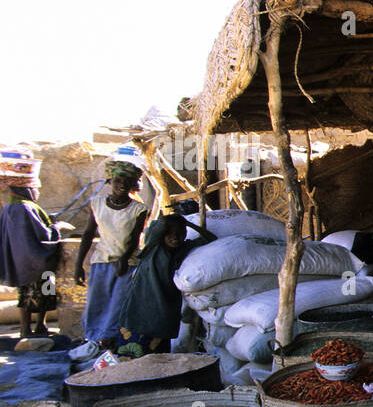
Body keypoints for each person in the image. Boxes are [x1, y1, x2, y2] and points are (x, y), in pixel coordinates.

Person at [116, 214, 216, 356]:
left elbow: (211, 238)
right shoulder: (153, 249)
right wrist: (172, 222)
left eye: (180, 233)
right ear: (162, 234)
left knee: (159, 364)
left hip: (163, 316)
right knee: (131, 360)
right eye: (170, 233)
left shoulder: (183, 250)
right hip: (139, 312)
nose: (175, 237)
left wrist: (189, 224)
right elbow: (158, 227)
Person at [74, 161, 148, 351]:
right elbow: (88, 234)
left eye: (127, 181)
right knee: (96, 305)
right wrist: (78, 266)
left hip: (127, 264)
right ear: (110, 181)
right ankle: (94, 345)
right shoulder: (97, 203)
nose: (122, 185)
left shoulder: (138, 209)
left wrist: (123, 259)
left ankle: (113, 347)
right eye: (118, 180)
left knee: (118, 307)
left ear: (134, 184)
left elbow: (134, 238)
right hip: (101, 262)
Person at [0, 148, 61, 337]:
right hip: (33, 260)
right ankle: (27, 328)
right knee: (31, 294)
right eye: (36, 189)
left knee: (36, 292)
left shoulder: (12, 206)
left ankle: (38, 325)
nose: (38, 193)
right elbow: (40, 234)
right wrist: (57, 228)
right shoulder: (25, 208)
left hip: (22, 260)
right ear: (27, 189)